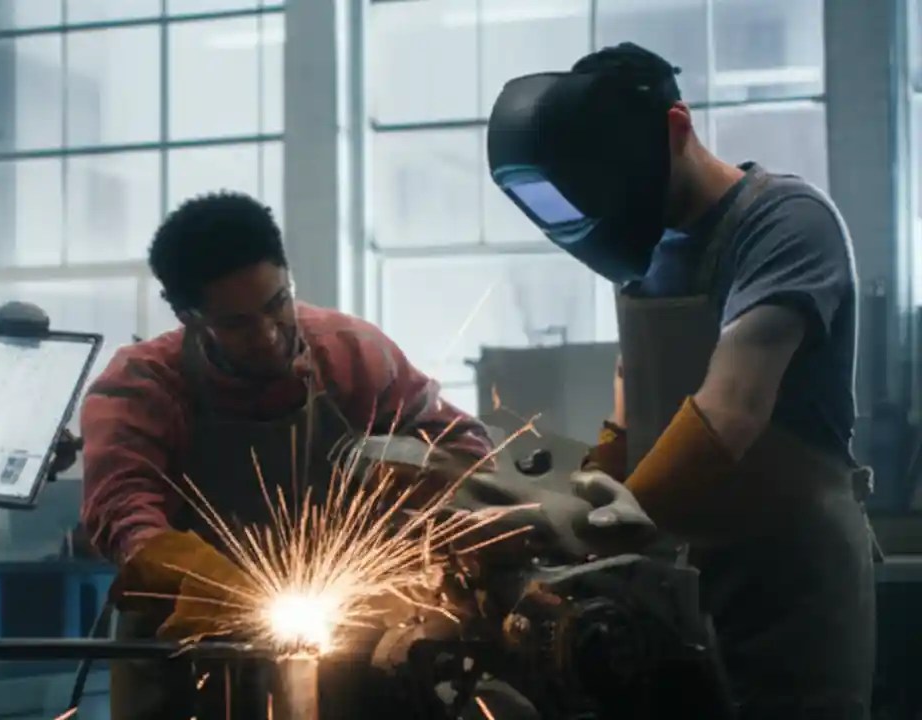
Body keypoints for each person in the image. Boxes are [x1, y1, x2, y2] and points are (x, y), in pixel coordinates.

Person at [81, 191, 652, 719]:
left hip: (341, 635)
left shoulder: (350, 354)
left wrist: (422, 485)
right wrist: (187, 571)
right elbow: (120, 509)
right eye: (236, 324)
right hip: (189, 658)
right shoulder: (140, 388)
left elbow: (466, 447)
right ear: (188, 317)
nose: (269, 335)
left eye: (277, 303)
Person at [487, 42, 875, 718]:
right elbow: (633, 399)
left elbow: (735, 404)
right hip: (682, 573)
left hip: (789, 579)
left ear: (676, 128)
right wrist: (583, 495)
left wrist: (626, 516)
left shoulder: (785, 223)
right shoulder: (647, 248)